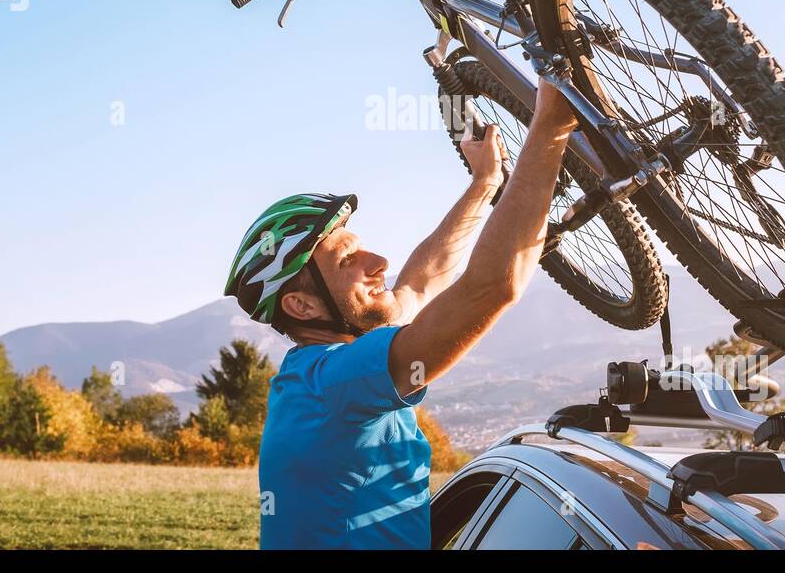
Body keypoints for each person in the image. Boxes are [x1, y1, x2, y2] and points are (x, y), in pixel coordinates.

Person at [223, 81, 578, 548]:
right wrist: (550, 125)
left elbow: (421, 281)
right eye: (349, 261)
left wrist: (484, 186)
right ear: (302, 305)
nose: (378, 263)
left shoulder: (320, 374)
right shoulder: (335, 382)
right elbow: (490, 288)